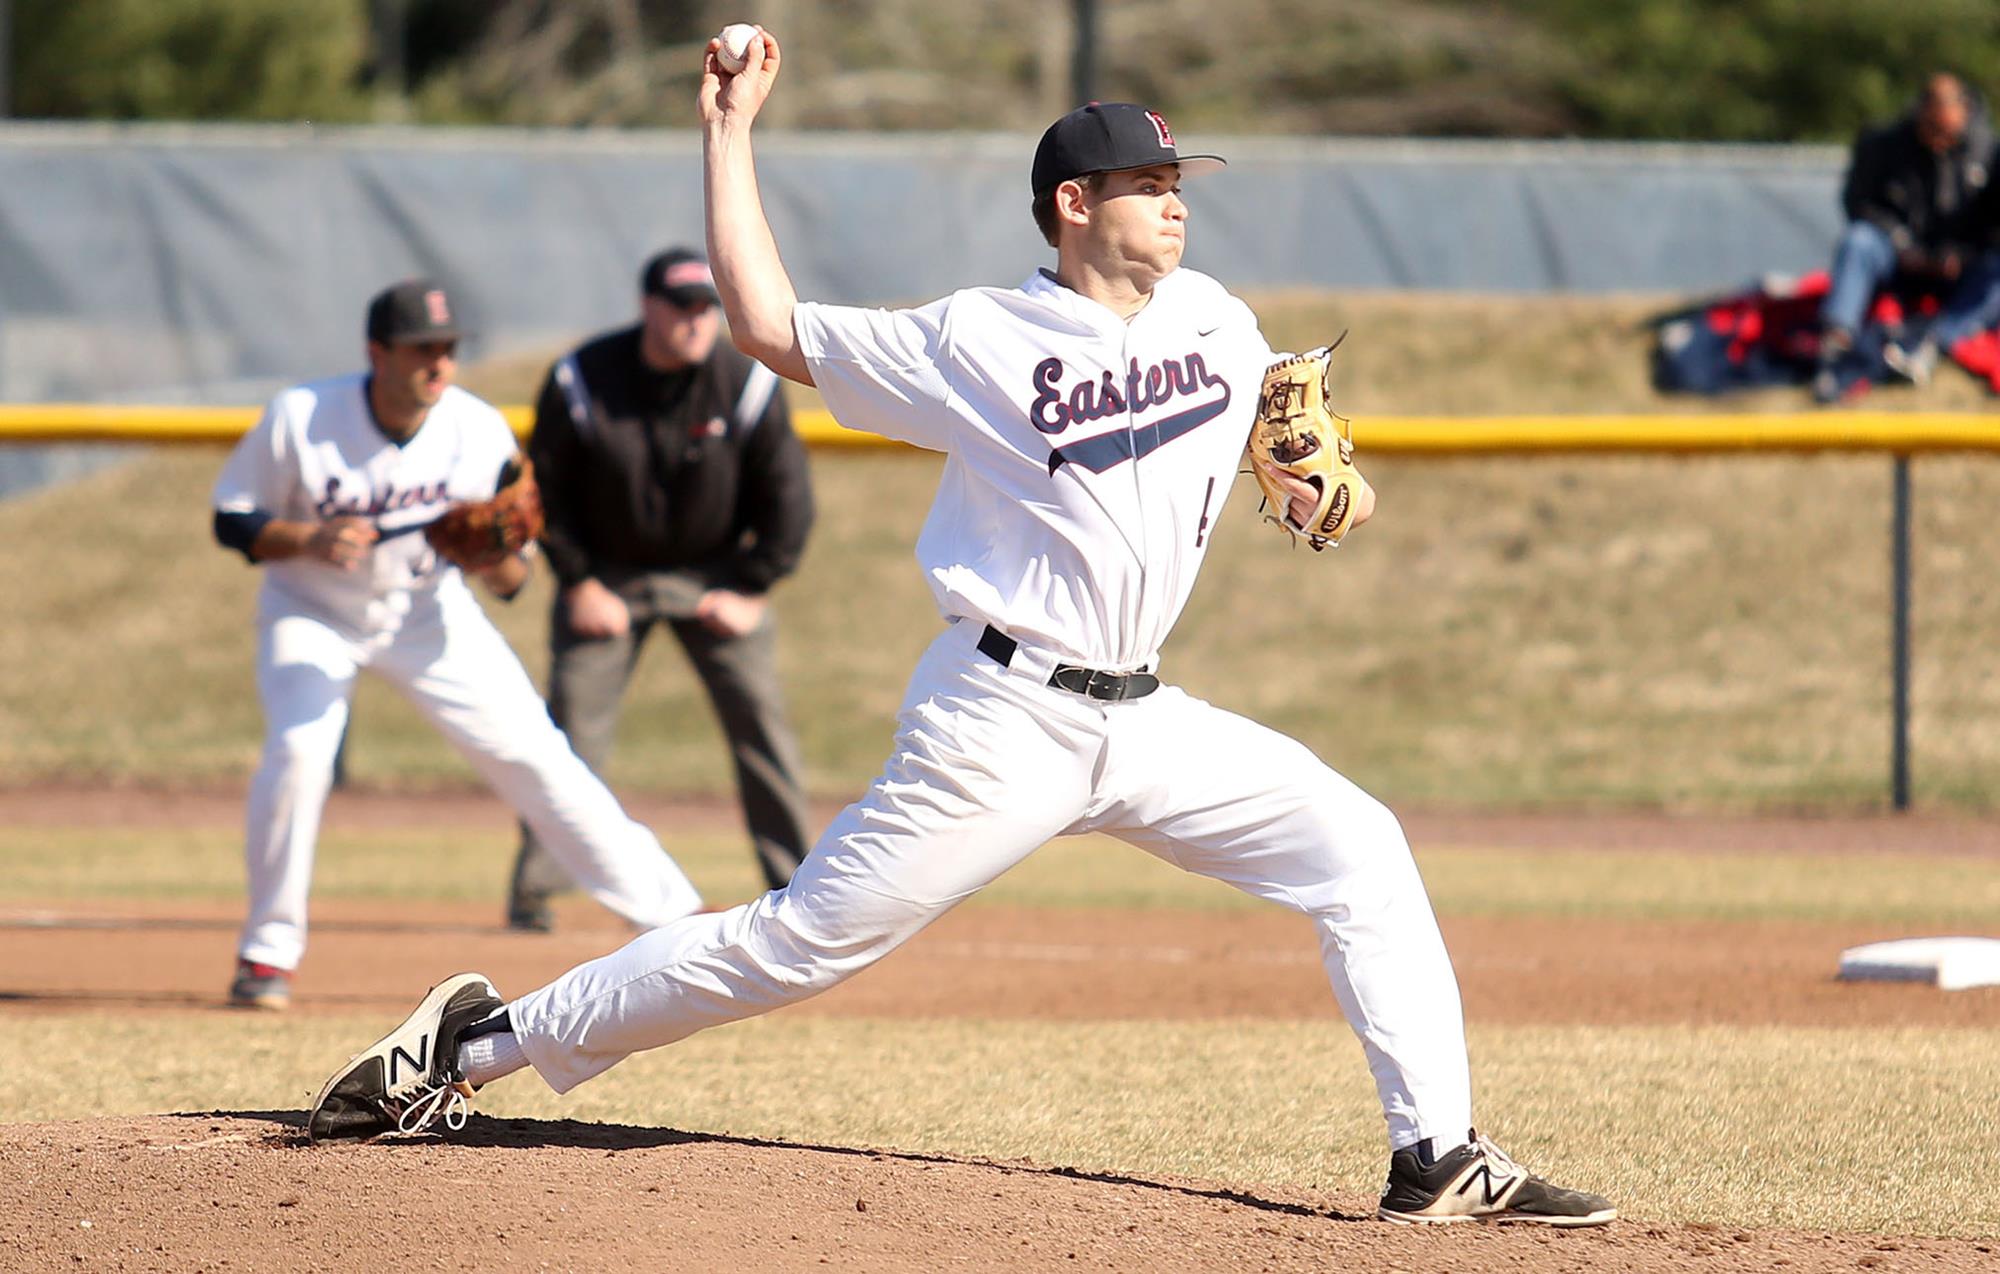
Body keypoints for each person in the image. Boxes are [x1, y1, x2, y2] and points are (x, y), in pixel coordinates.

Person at [305, 35, 1617, 1229]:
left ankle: (1434, 1153)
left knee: (1360, 848)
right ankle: (466, 1048)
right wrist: (729, 130)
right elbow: (765, 327)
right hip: (1003, 716)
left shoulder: (1214, 318)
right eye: (1151, 180)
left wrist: (1299, 462)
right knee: (796, 940)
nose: (1177, 197)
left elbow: (1277, 405)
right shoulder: (981, 338)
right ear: (1073, 205)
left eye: (1181, 179)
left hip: (1146, 718)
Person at [211, 279, 706, 1011]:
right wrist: (308, 538)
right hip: (311, 608)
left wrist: (492, 553)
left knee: (535, 753)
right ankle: (267, 955)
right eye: (421, 349)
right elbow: (233, 519)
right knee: (300, 750)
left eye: (447, 348)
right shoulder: (302, 417)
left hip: (424, 612)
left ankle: (673, 919)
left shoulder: (476, 431)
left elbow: (508, 581)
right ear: (375, 351)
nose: (438, 363)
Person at [504, 247, 815, 933]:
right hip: (607, 576)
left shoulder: (745, 382)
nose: (696, 321)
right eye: (681, 307)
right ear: (648, 307)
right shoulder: (583, 378)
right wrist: (579, 582)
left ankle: (805, 886)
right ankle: (536, 890)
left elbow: (788, 498)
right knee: (567, 735)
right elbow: (545, 489)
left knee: (761, 727)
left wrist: (752, 587)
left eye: (706, 307)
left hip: (714, 581)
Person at [1814, 73, 1995, 403]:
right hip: (1899, 259)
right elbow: (1859, 203)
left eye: (1947, 131)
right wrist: (1902, 245)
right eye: (1932, 128)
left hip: (1960, 268)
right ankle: (1837, 341)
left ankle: (1933, 342)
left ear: (1965, 112)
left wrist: (1963, 254)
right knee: (1860, 241)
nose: (1939, 139)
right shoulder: (1887, 145)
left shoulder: (1989, 152)